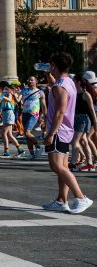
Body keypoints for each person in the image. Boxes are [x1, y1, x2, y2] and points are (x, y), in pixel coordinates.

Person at [41, 53, 91, 213]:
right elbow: (56, 90)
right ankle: (61, 200)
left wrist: (50, 134)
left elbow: (59, 112)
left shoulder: (60, 86)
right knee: (63, 166)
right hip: (66, 130)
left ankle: (81, 197)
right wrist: (49, 76)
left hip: (58, 131)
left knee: (57, 166)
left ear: (54, 65)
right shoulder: (68, 81)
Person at [19, 76, 46, 160]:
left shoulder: (40, 92)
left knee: (27, 133)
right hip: (24, 113)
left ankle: (38, 146)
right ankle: (31, 154)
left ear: (36, 81)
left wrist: (45, 116)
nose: (30, 81)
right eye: (29, 79)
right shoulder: (24, 91)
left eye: (32, 80)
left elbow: (43, 105)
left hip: (33, 114)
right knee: (27, 135)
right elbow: (18, 99)